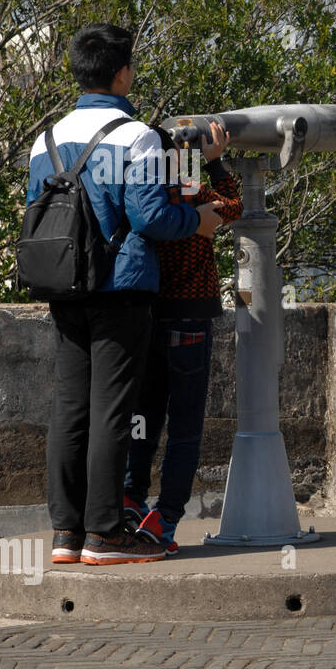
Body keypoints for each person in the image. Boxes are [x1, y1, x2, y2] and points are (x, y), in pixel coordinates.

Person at [30, 24, 222, 566]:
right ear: (122, 73)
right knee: (113, 411)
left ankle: (66, 534)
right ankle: (106, 535)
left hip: (62, 284)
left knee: (70, 410)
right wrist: (197, 217)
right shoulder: (134, 135)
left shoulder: (44, 139)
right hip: (120, 287)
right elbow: (150, 216)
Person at [123, 121, 243, 555]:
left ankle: (130, 498)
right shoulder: (195, 194)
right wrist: (216, 161)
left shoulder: (147, 198)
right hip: (190, 320)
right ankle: (166, 517)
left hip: (149, 314)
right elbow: (235, 206)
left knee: (144, 416)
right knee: (186, 426)